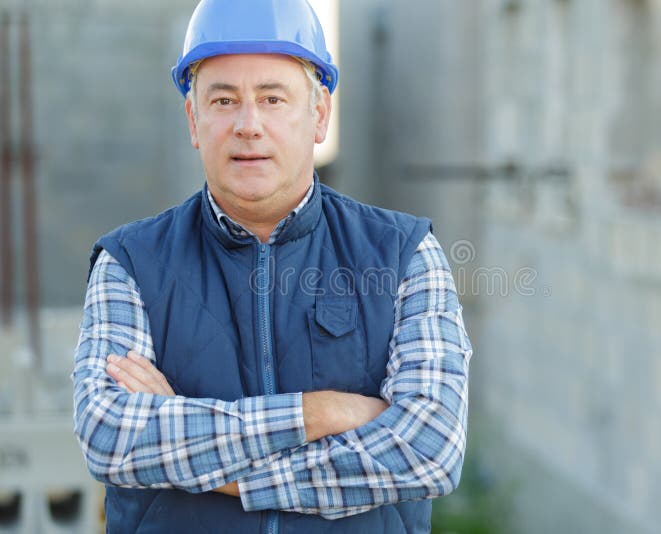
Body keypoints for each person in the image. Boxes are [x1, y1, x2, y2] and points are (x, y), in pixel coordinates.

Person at [71, 0, 472, 533]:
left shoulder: (404, 254)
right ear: (194, 120)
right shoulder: (130, 264)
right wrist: (320, 413)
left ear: (319, 114)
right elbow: (110, 436)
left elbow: (430, 449)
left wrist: (212, 466)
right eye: (223, 100)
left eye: (272, 98)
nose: (248, 125)